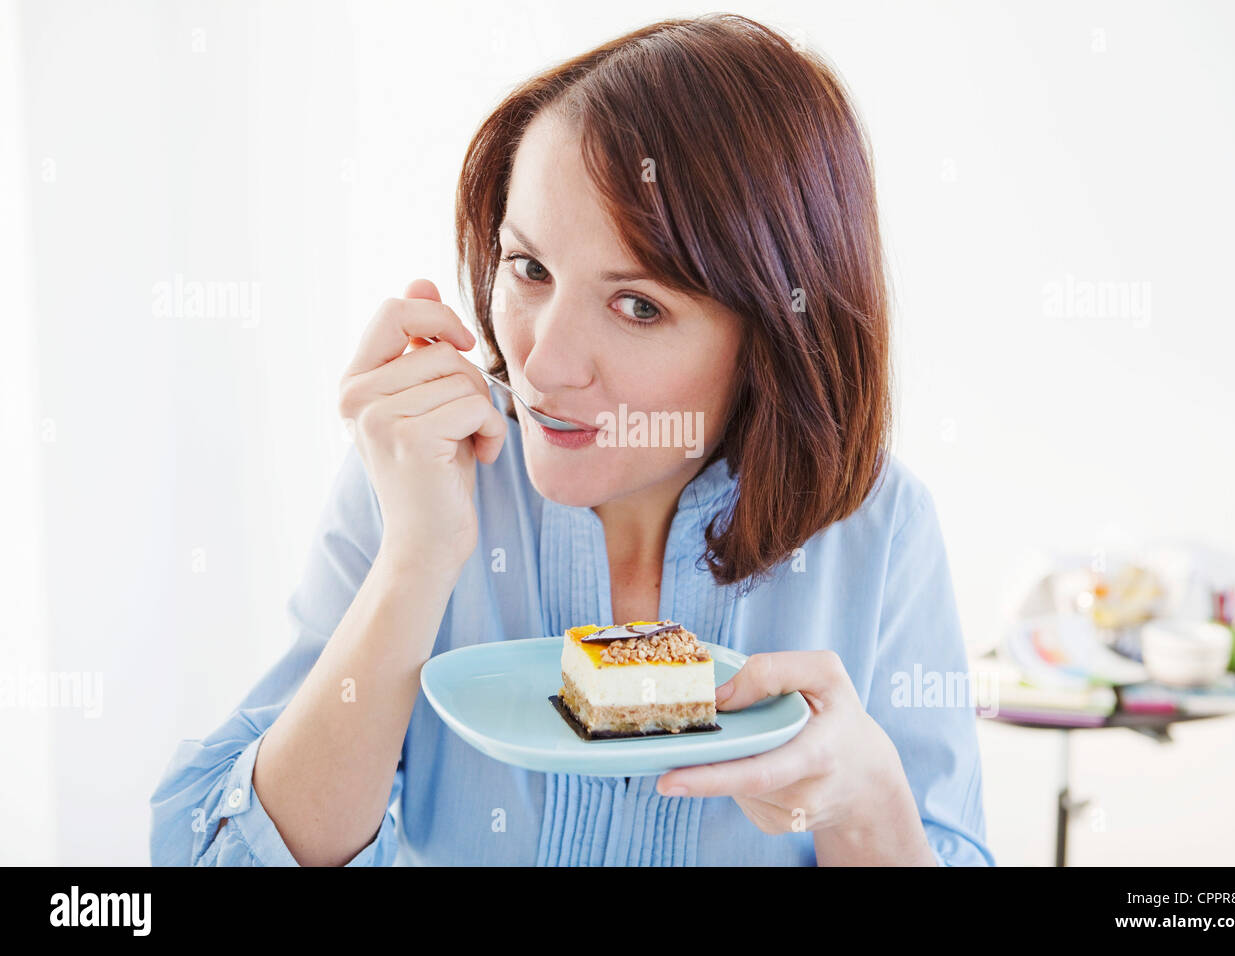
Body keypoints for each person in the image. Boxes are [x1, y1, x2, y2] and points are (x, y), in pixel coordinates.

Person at [150, 13, 994, 866]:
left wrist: (869, 805)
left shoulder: (879, 531)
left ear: (770, 337)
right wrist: (417, 560)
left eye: (638, 306)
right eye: (530, 269)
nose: (542, 366)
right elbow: (214, 858)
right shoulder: (421, 469)